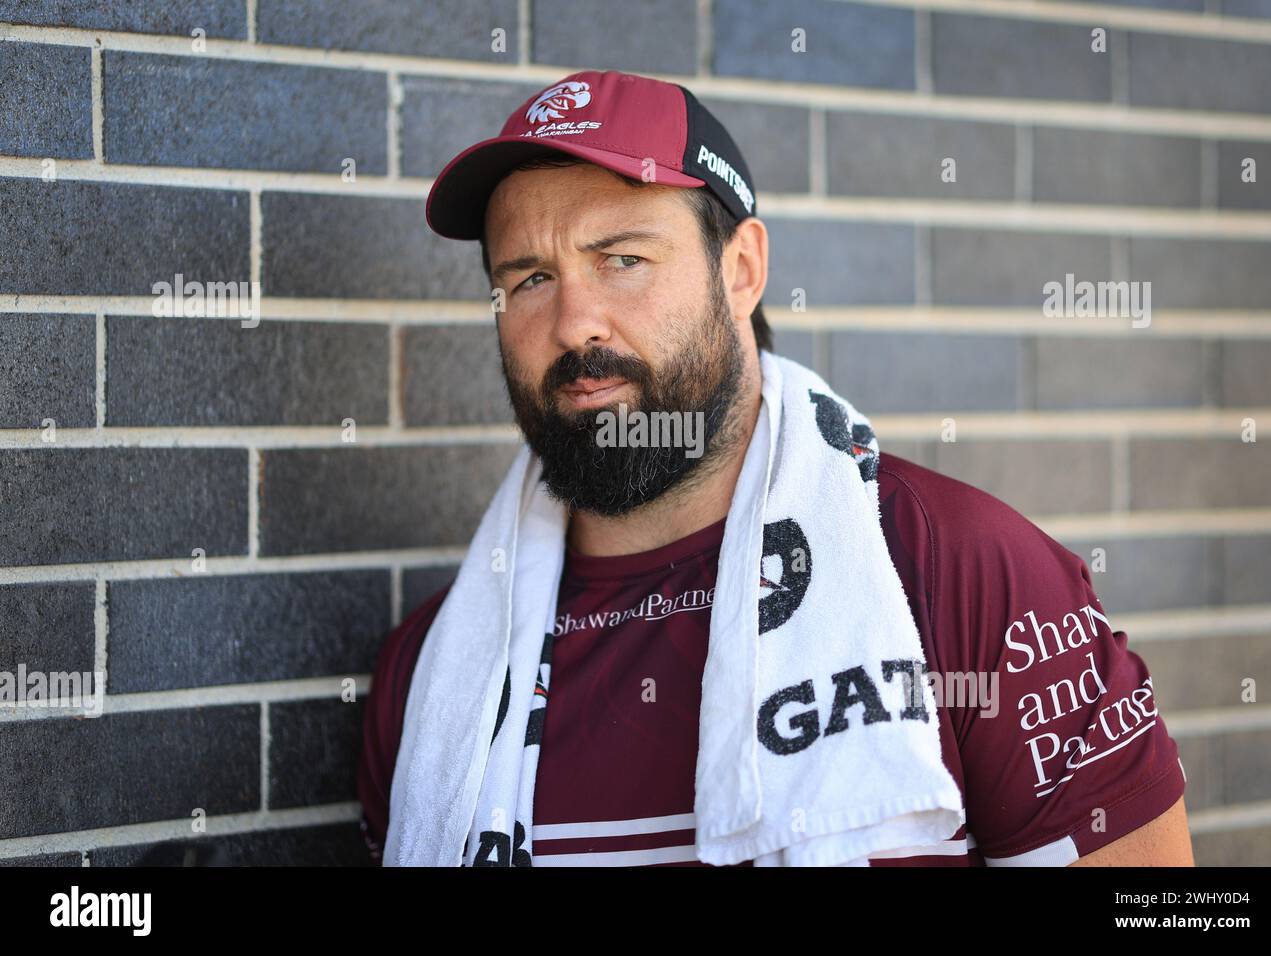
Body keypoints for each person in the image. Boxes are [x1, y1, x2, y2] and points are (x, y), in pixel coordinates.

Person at [357, 69, 1194, 867]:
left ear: (741, 272)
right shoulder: (433, 675)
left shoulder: (960, 573)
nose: (577, 323)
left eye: (623, 258)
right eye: (532, 277)